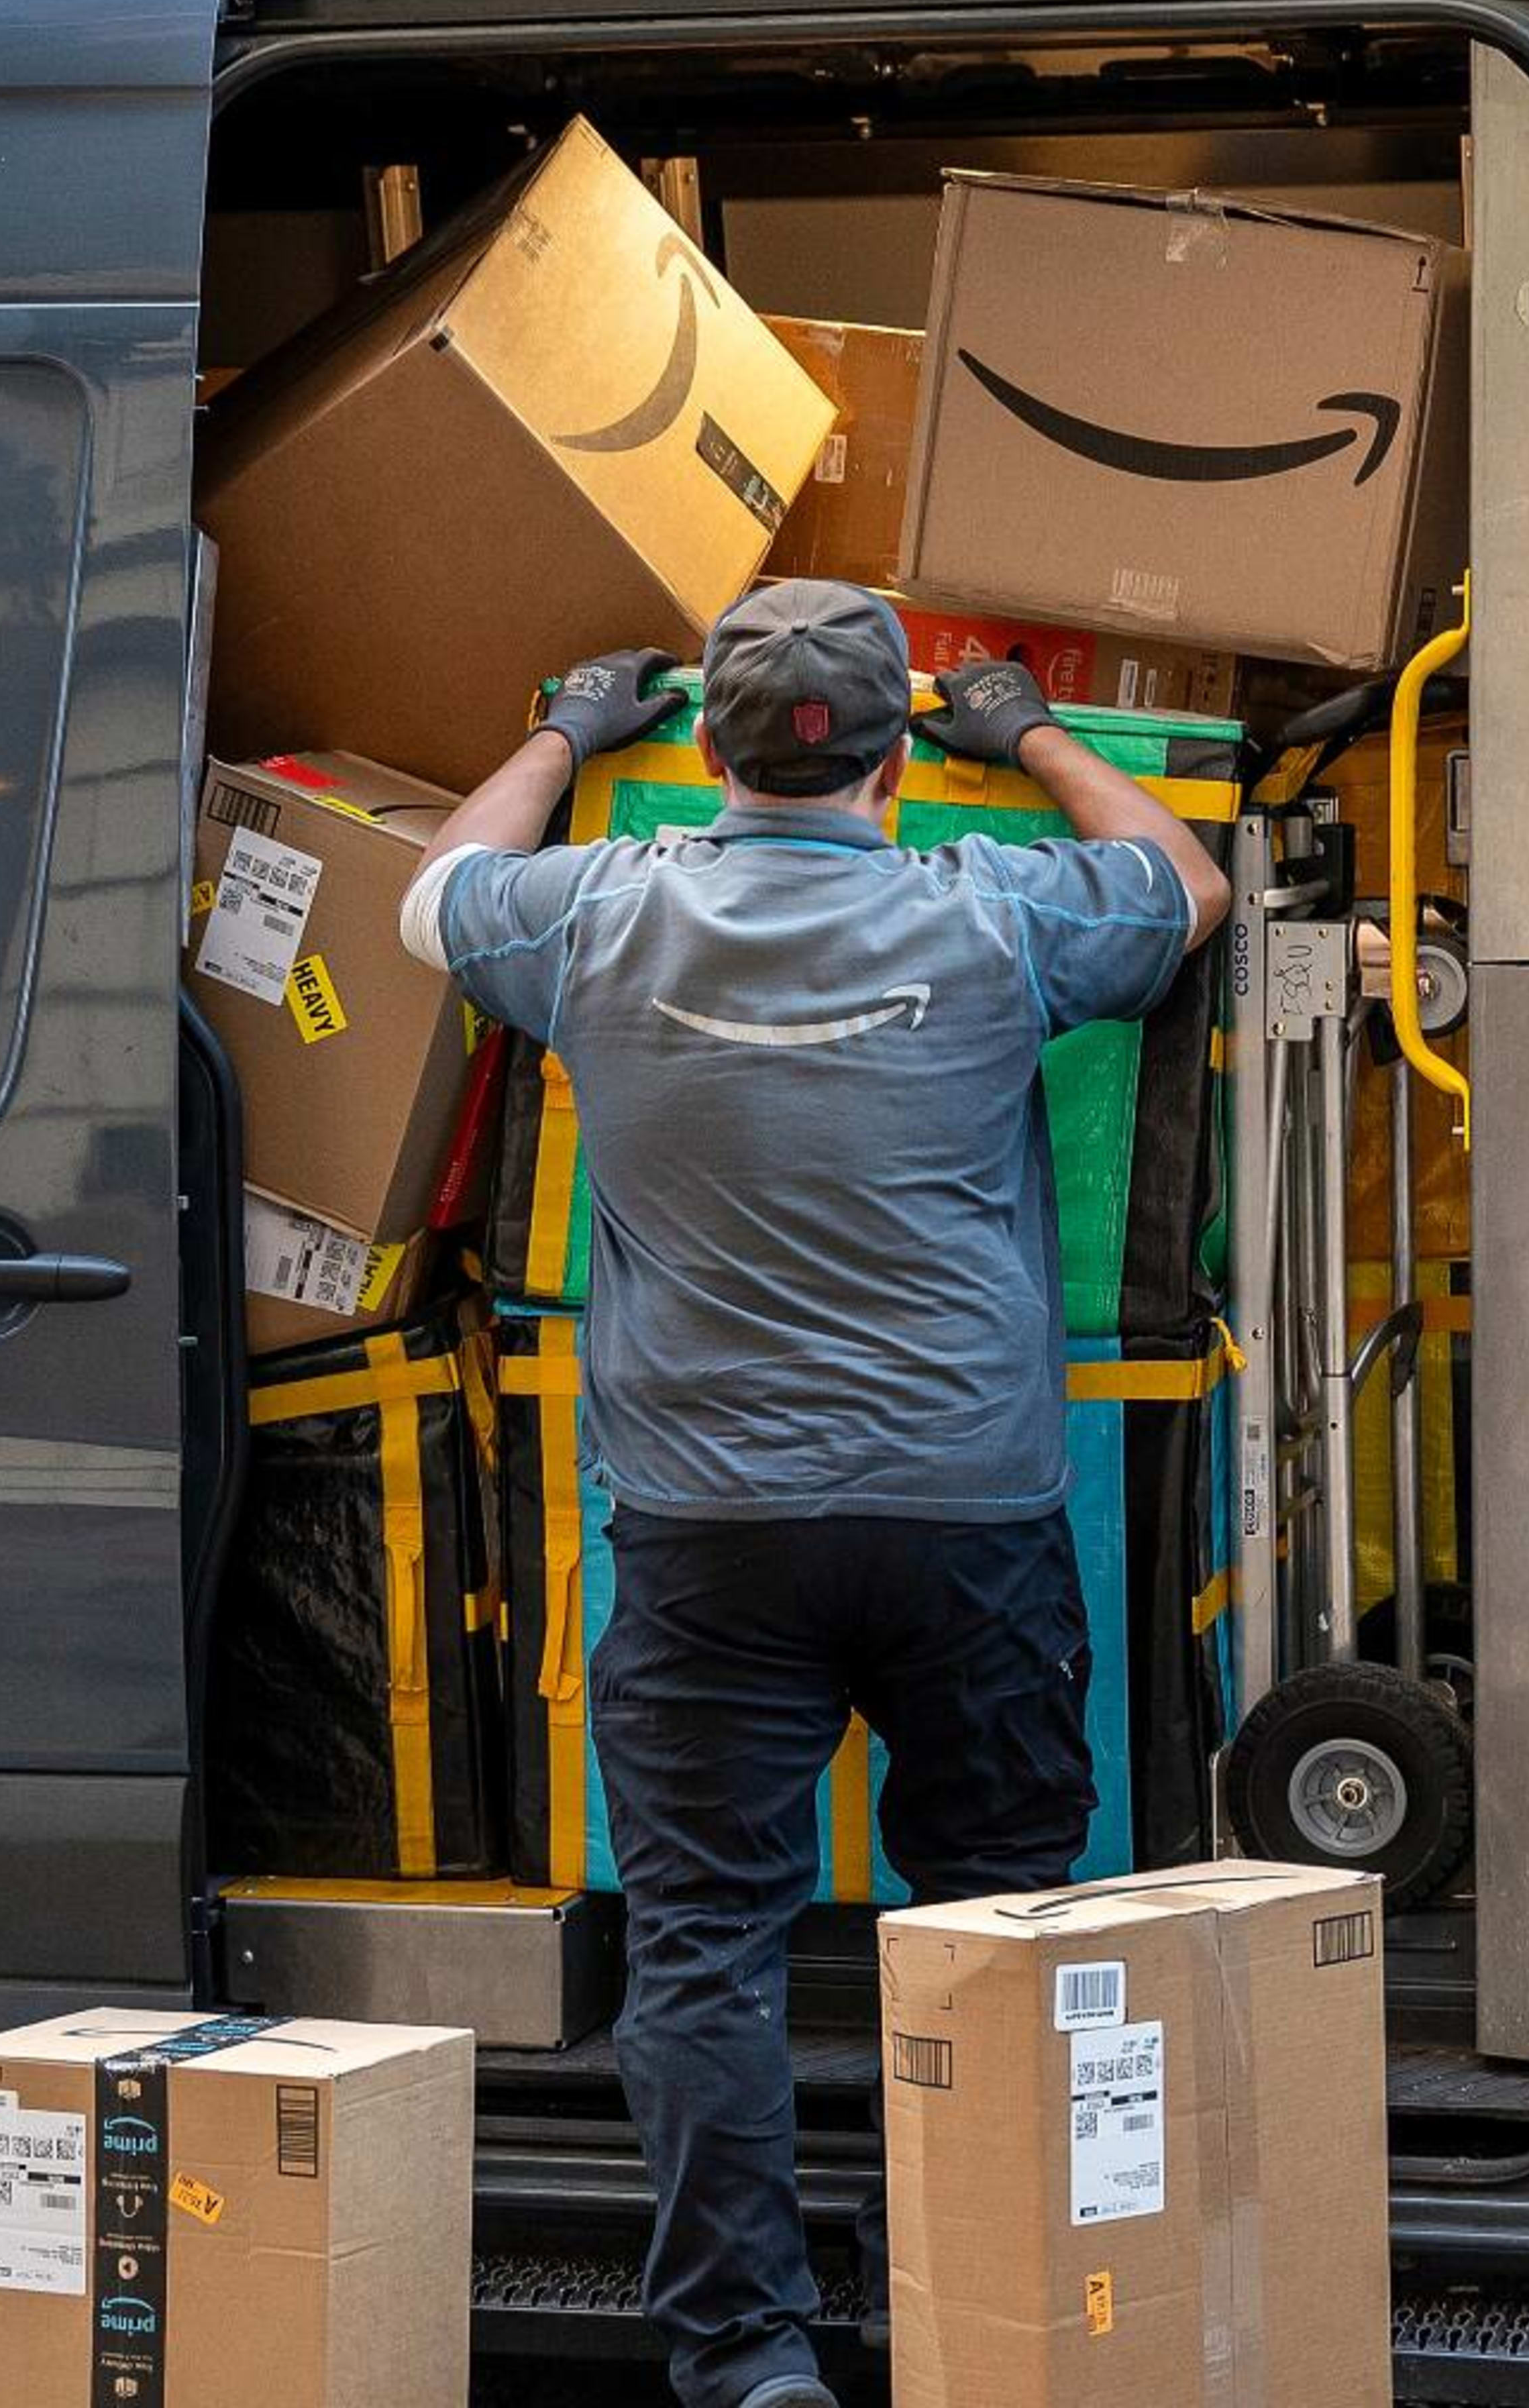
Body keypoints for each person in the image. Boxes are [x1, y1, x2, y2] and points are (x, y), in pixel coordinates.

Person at [398, 578, 1230, 2408]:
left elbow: (432, 889)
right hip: (966, 1523)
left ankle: (752, 2361)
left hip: (708, 1534)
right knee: (1000, 1926)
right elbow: (1188, 888)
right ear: (889, 762)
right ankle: (988, 2326)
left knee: (704, 1947)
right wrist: (1027, 730)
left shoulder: (599, 914)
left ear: (708, 750)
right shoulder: (993, 912)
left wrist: (566, 727)